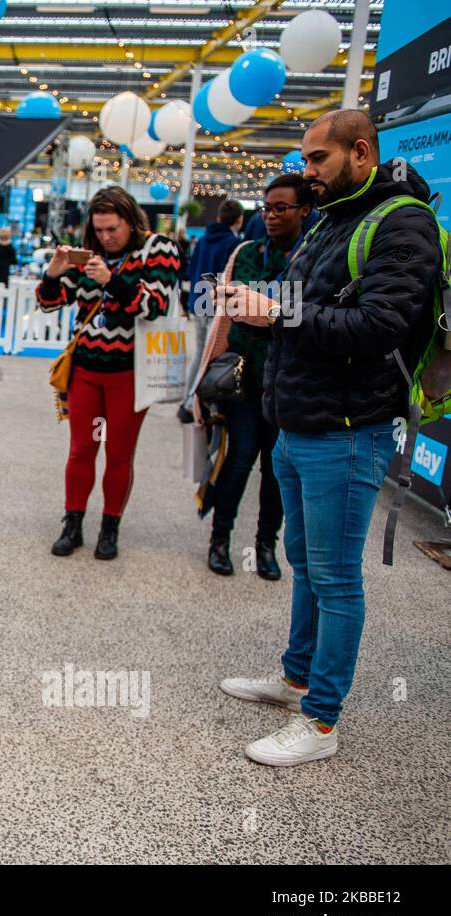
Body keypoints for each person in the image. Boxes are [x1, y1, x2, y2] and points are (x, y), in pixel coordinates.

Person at [218, 109, 441, 766]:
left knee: (338, 577)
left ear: (361, 153)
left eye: (317, 158)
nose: (306, 171)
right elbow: (307, 306)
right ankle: (295, 677)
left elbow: (379, 326)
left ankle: (321, 720)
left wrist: (278, 310)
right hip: (298, 422)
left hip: (348, 430)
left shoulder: (404, 222)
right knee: (308, 563)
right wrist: (256, 302)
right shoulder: (333, 218)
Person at [39, 186, 181, 560]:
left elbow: (154, 305)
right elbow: (49, 302)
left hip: (130, 373)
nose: (105, 237)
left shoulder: (158, 248)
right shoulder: (89, 254)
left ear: (131, 222)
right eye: (99, 230)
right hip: (85, 368)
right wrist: (53, 274)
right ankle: (72, 524)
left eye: (113, 229)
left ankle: (110, 526)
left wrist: (111, 281)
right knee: (81, 449)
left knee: (118, 454)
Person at [193, 175, 314, 580]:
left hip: (289, 384)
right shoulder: (246, 253)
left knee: (277, 471)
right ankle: (220, 540)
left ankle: (266, 546)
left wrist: (271, 311)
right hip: (244, 381)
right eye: (267, 208)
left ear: (304, 211)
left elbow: (306, 318)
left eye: (282, 208)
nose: (272, 215)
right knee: (238, 461)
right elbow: (226, 312)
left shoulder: (313, 257)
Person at [180, 200, 244, 419]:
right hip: (216, 304)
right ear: (238, 219)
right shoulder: (233, 244)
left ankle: (187, 401)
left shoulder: (203, 240)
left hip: (198, 301)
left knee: (199, 353)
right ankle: (194, 404)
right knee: (209, 355)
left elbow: (191, 270)